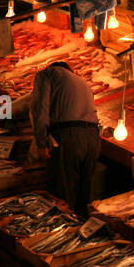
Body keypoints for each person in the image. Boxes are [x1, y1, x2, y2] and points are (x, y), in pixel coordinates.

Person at [29, 60, 100, 217]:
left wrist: (41, 143)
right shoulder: (82, 82)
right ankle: (83, 233)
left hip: (69, 137)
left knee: (64, 196)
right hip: (93, 138)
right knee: (83, 196)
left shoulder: (47, 74)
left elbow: (40, 108)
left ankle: (65, 234)